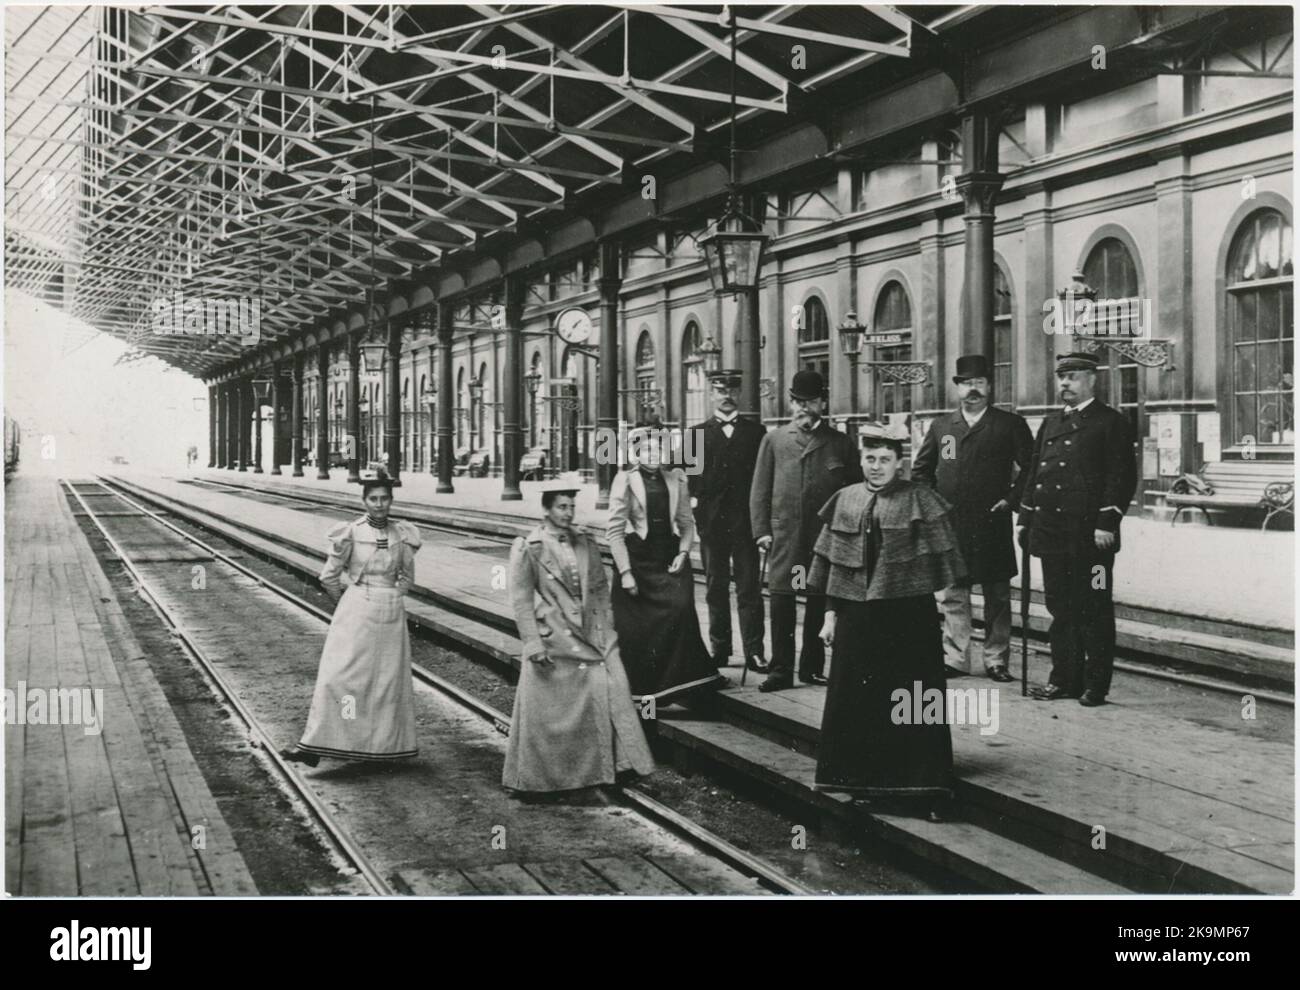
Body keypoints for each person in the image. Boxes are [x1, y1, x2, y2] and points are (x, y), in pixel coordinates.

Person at [807, 423, 967, 820]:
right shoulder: (845, 498)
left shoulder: (921, 500)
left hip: (908, 619)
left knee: (912, 702)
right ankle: (862, 782)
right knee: (859, 701)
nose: (876, 467)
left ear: (901, 463)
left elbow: (942, 569)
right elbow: (832, 567)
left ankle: (924, 787)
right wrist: (830, 616)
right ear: (861, 460)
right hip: (856, 617)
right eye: (869, 459)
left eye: (885, 460)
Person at [504, 483, 654, 795]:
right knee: (552, 706)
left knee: (616, 685)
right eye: (561, 507)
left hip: (592, 633)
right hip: (554, 636)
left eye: (572, 507)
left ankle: (622, 765)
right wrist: (533, 642)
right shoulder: (529, 547)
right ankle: (547, 778)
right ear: (546, 509)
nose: (568, 513)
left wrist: (606, 630)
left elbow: (599, 588)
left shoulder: (585, 542)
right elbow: (520, 600)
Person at [1017, 352, 1137, 707]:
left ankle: (1095, 685)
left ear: (1092, 379)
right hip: (1053, 533)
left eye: (1072, 377)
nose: (1065, 384)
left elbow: (1121, 478)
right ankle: (1064, 679)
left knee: (1094, 608)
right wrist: (1025, 518)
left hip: (1091, 539)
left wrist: (1107, 522)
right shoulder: (1051, 423)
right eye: (1061, 377)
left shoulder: (1110, 422)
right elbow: (1034, 473)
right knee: (1061, 609)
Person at [282, 465, 422, 766]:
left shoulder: (403, 535)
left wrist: (395, 594)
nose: (380, 505)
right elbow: (328, 577)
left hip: (391, 613)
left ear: (391, 500)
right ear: (364, 501)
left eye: (385, 498)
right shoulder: (351, 533)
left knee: (386, 680)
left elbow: (408, 576)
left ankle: (384, 748)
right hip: (357, 610)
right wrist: (347, 603)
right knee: (340, 676)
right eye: (374, 499)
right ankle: (315, 744)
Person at [912, 354, 1034, 682]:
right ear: (957, 388)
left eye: (979, 383)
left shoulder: (1009, 425)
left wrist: (1011, 500)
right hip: (951, 525)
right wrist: (931, 507)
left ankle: (996, 659)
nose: (972, 390)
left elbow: (1032, 470)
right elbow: (921, 472)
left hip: (992, 522)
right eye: (966, 383)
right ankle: (956, 657)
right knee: (954, 594)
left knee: (996, 595)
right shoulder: (942, 428)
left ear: (990, 386)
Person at [749, 369, 862, 692]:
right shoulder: (773, 440)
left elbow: (854, 492)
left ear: (822, 403)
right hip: (784, 538)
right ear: (790, 402)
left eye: (810, 401)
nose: (803, 408)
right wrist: (761, 531)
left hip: (823, 539)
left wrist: (848, 532)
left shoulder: (839, 444)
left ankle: (811, 668)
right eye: (798, 401)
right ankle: (780, 670)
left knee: (817, 601)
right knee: (782, 601)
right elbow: (759, 491)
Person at [607, 424, 722, 705]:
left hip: (668, 555)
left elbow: (685, 524)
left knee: (681, 608)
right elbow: (615, 532)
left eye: (658, 448)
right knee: (638, 626)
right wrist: (625, 573)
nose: (653, 454)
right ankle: (645, 690)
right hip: (638, 558)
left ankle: (682, 685)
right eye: (647, 449)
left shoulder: (677, 478)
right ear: (636, 453)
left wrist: (683, 553)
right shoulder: (624, 480)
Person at [687, 369, 768, 674]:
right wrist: (698, 516)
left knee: (749, 589)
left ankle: (754, 651)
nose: (726, 396)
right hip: (712, 527)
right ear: (711, 394)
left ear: (739, 394)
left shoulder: (756, 434)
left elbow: (762, 483)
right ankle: (719, 649)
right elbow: (689, 482)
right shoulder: (696, 434)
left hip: (745, 526)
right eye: (720, 390)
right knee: (714, 587)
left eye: (732, 390)